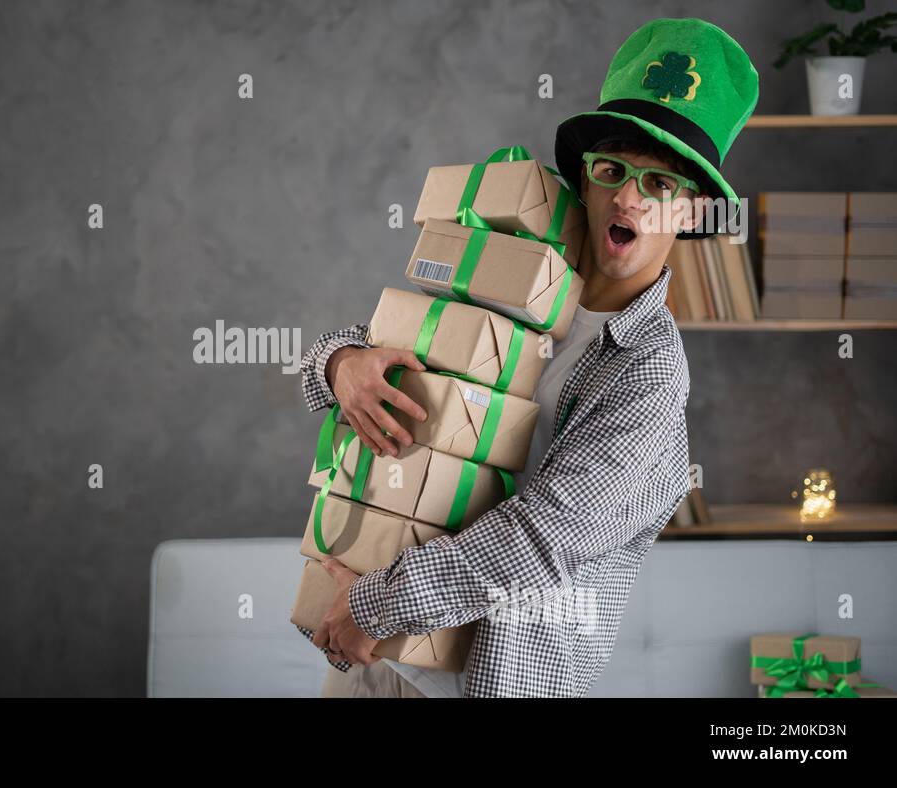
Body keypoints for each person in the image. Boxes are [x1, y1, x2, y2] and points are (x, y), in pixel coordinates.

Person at [297, 17, 759, 697]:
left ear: (691, 213)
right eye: (613, 170)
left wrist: (374, 608)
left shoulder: (649, 373)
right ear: (586, 179)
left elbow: (545, 537)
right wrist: (342, 364)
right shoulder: (525, 267)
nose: (630, 195)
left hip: (479, 679)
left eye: (661, 185)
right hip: (372, 667)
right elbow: (385, 333)